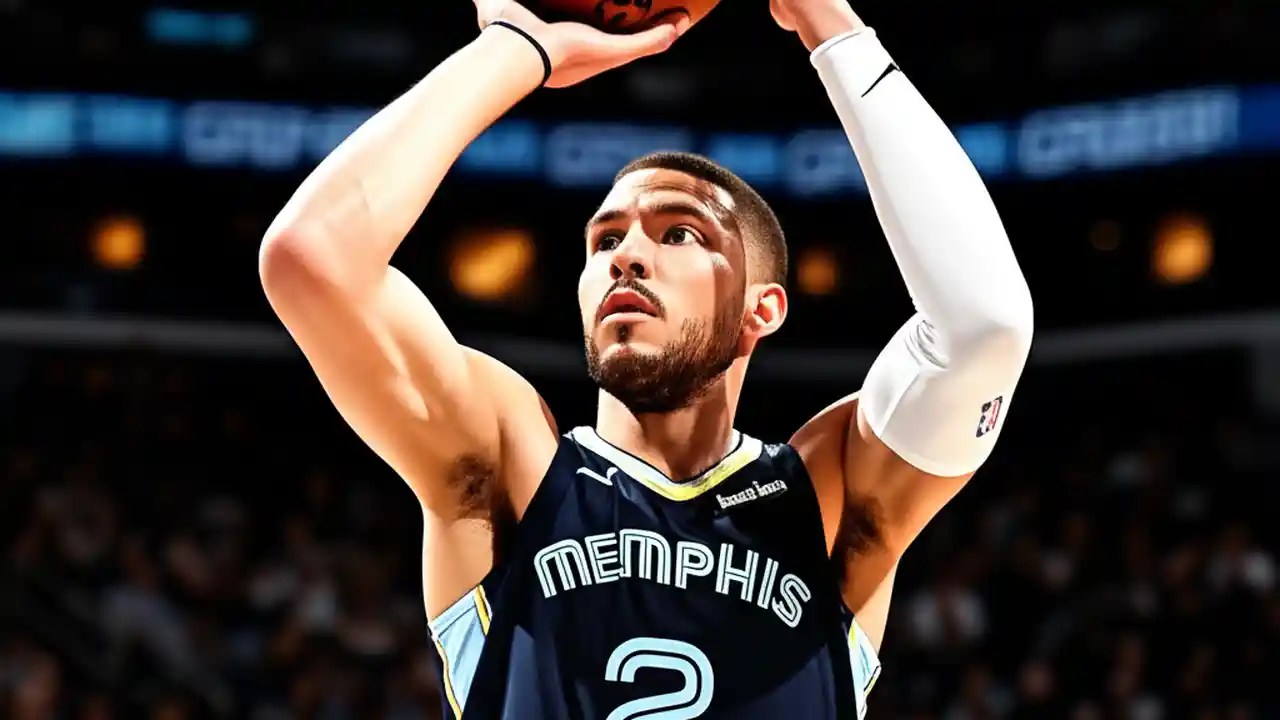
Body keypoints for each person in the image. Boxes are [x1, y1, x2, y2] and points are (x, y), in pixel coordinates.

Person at [258, 0, 1034, 717]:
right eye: (604, 239)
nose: (626, 256)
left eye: (679, 234)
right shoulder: (512, 468)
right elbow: (312, 256)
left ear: (761, 310)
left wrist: (833, 26)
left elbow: (985, 326)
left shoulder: (825, 496)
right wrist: (519, 49)